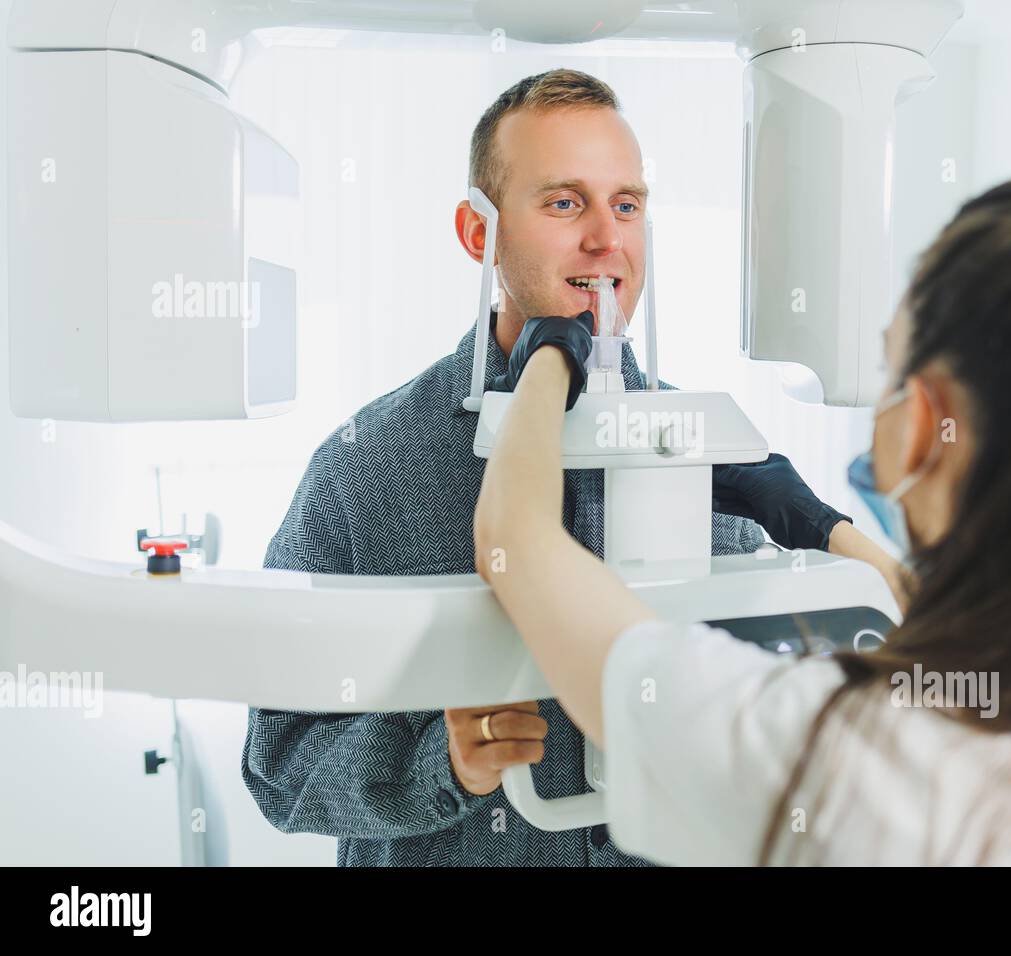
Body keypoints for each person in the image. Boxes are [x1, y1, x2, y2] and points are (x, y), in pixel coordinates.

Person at [473, 171, 1011, 865]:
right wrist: (837, 533)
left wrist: (551, 357)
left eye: (891, 368)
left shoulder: (851, 759)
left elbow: (518, 542)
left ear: (927, 422)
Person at [241, 69, 866, 867]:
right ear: (481, 234)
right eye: (566, 203)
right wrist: (439, 761)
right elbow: (278, 762)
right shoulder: (363, 472)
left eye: (628, 205)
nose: (608, 239)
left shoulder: (719, 453)